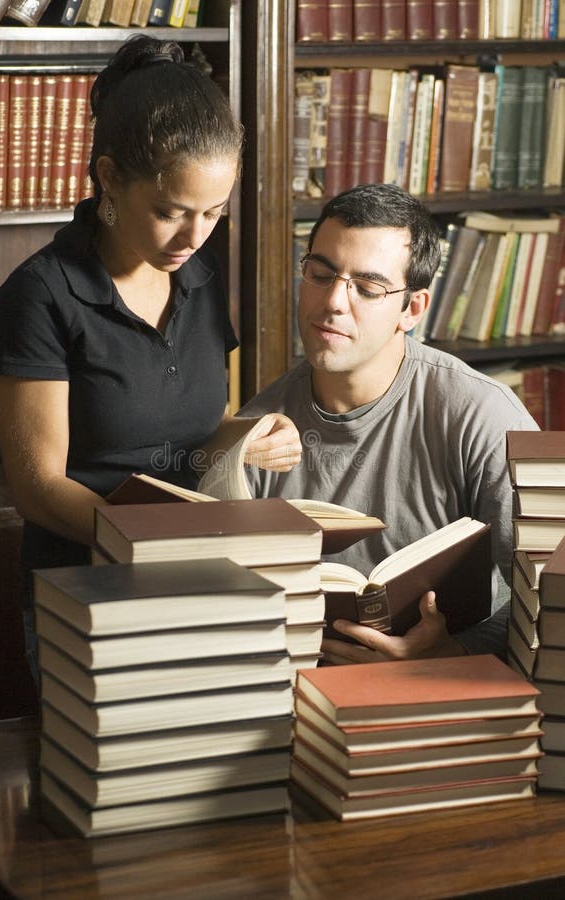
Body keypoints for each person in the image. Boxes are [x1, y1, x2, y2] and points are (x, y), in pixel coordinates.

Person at [0, 36, 301, 678]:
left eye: (213, 213)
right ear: (108, 179)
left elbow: (188, 442)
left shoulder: (200, 279)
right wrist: (157, 542)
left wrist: (245, 439)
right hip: (84, 593)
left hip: (200, 581)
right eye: (169, 212)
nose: (193, 236)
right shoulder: (41, 297)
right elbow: (39, 489)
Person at [239, 182, 539, 662]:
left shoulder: (484, 414)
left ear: (412, 309)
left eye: (368, 288)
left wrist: (450, 653)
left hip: (448, 694)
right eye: (321, 273)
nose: (334, 302)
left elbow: (549, 600)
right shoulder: (257, 429)